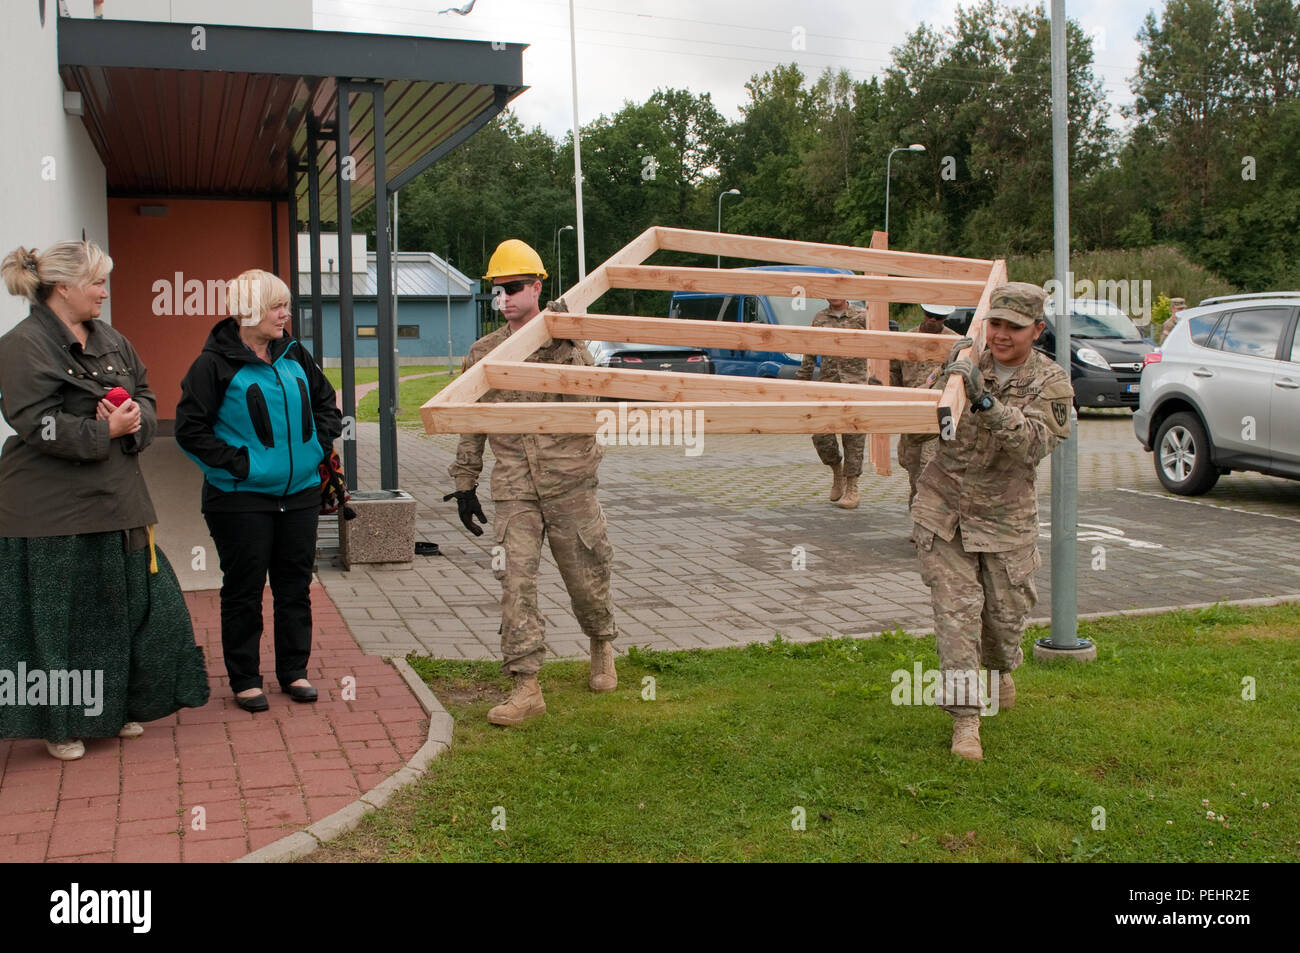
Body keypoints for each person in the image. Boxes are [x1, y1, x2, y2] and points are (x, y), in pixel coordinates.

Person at [0, 242, 209, 760]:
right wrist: (103, 430)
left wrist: (134, 418)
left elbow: (145, 390)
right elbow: (34, 422)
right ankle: (60, 725)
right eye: (96, 282)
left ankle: (112, 709)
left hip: (118, 503)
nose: (104, 291)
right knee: (58, 621)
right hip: (49, 512)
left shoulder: (110, 338)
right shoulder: (22, 346)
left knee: (122, 611)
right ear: (64, 288)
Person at [446, 239, 618, 726]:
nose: (504, 297)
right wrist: (465, 482)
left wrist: (562, 337)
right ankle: (526, 684)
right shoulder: (483, 354)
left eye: (514, 287)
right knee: (514, 581)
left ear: (538, 286)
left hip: (570, 483)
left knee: (586, 575)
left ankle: (601, 644)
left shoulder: (567, 343)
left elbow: (589, 404)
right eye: (497, 289)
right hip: (515, 488)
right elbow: (470, 420)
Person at [911, 282, 1073, 761]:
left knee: (1002, 626)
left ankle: (1001, 669)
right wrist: (947, 375)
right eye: (994, 324)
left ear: (1037, 330)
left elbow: (1034, 446)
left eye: (1014, 328)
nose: (1001, 335)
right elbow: (929, 413)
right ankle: (966, 721)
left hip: (1005, 521)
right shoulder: (966, 364)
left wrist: (987, 402)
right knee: (957, 617)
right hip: (944, 512)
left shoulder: (1052, 381)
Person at [175, 269, 341, 712]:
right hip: (240, 499)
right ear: (248, 310)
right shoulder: (213, 364)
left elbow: (327, 403)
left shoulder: (294, 354)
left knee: (294, 587)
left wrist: (317, 448)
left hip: (301, 491)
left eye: (285, 305)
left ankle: (294, 671)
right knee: (244, 589)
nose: (285, 314)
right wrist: (243, 464)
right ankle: (246, 679)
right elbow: (190, 430)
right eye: (275, 306)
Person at [795, 297, 870, 508]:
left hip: (855, 383)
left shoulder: (862, 317)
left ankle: (852, 487)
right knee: (821, 434)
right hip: (827, 385)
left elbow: (877, 347)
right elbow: (809, 354)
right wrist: (802, 384)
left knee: (854, 436)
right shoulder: (820, 318)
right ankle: (837, 470)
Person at [891, 304, 958, 507]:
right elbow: (894, 373)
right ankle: (918, 505)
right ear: (923, 313)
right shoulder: (907, 339)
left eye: (939, 318)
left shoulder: (956, 343)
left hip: (943, 414)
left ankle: (927, 517)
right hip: (914, 410)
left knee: (931, 465)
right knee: (911, 463)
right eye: (930, 316)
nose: (933, 321)